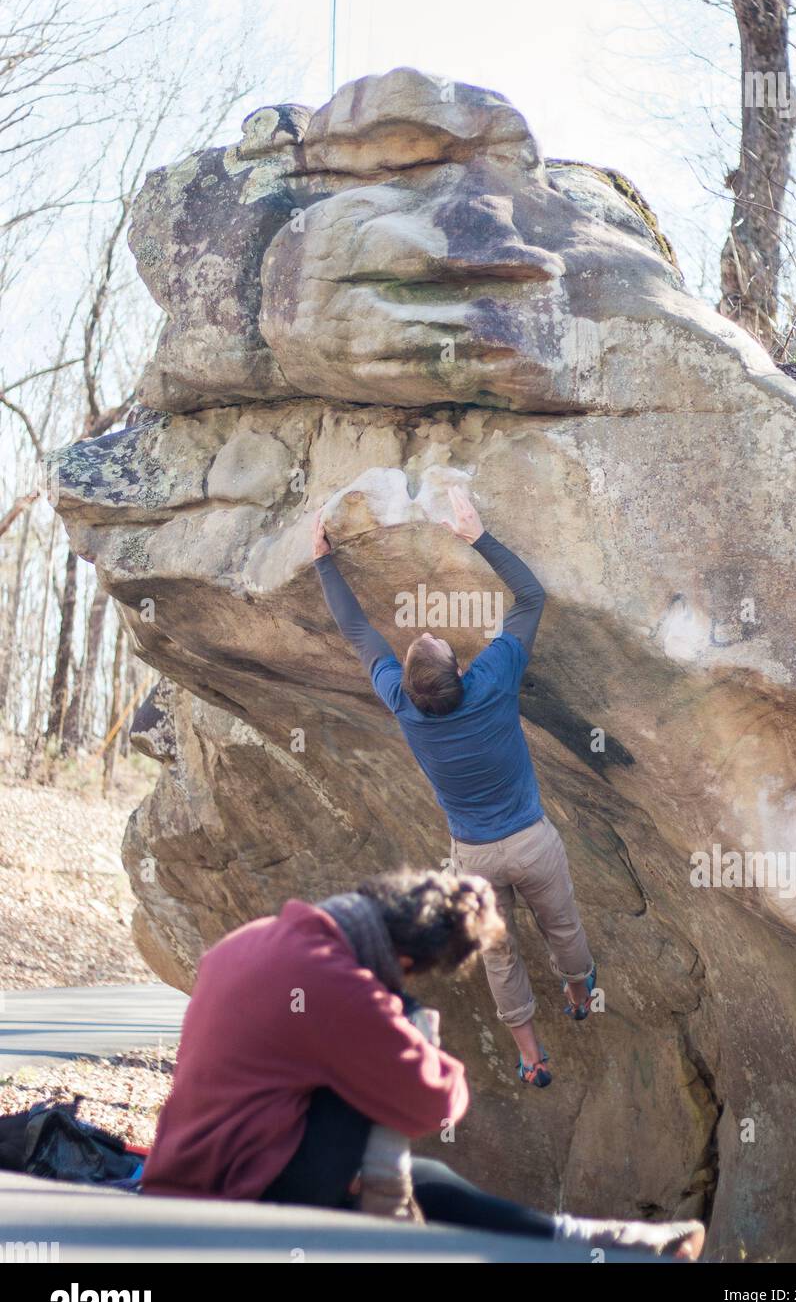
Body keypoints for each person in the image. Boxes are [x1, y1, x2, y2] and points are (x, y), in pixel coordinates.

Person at [142, 869, 703, 1259]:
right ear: (405, 958)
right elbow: (437, 1104)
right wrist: (406, 1016)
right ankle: (607, 1247)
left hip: (184, 1176)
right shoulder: (332, 982)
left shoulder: (256, 938)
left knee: (427, 1183)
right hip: (243, 1199)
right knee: (395, 1133)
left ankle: (603, 1241)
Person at [313, 486, 594, 1086]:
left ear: (409, 688)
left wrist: (323, 561)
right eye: (435, 642)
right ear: (459, 670)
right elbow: (531, 597)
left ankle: (529, 1053)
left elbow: (357, 631)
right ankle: (578, 991)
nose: (430, 634)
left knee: (498, 953)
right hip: (531, 841)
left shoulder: (404, 706)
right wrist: (476, 535)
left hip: (474, 857)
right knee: (562, 926)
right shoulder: (491, 681)